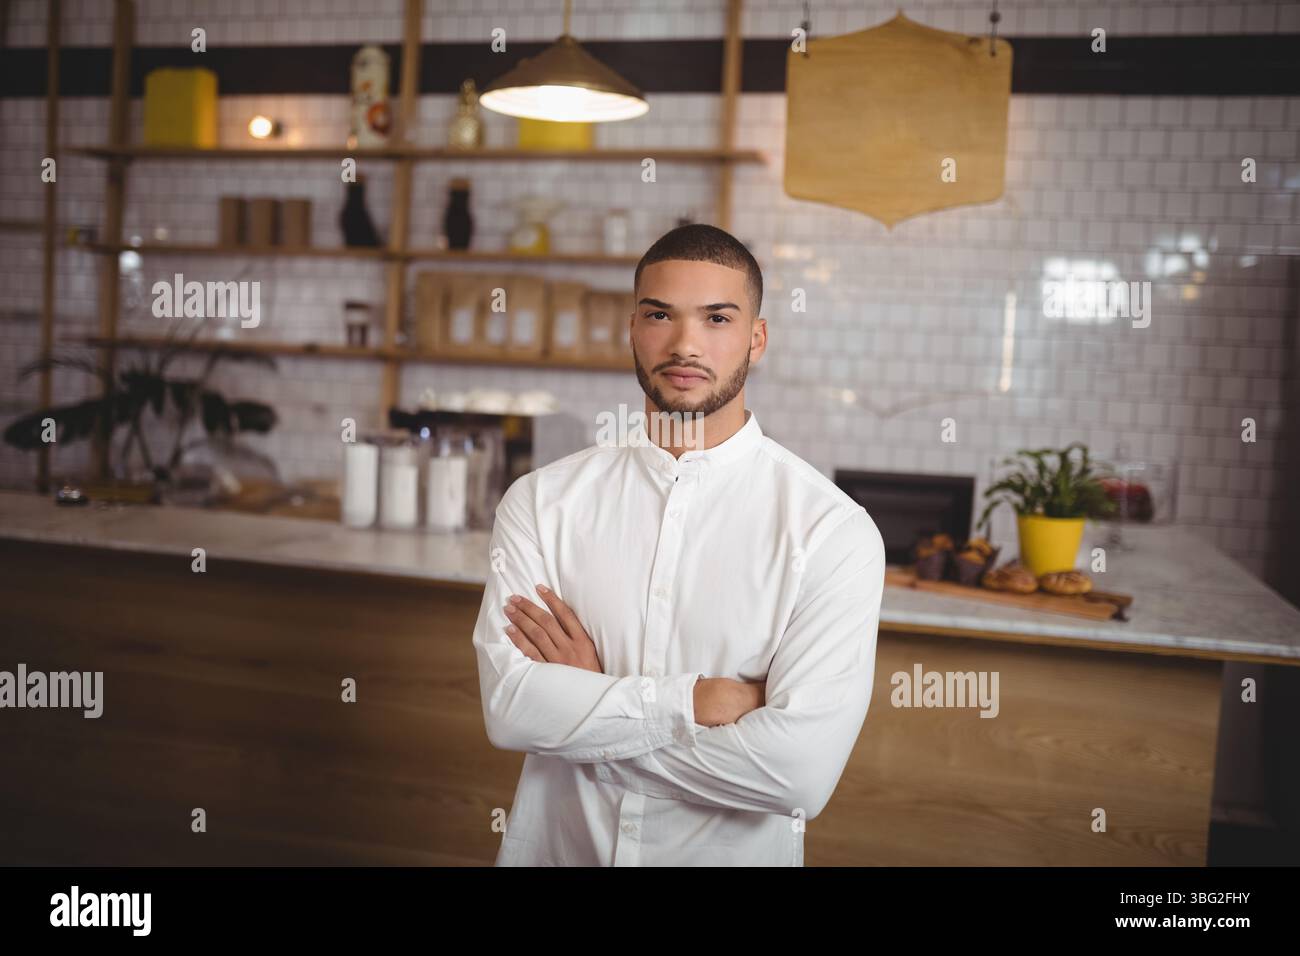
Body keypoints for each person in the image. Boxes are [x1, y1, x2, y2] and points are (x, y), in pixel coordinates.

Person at [472, 223, 885, 866]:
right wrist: (693, 702)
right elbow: (511, 710)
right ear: (632, 328)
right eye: (660, 315)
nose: (686, 344)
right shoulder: (540, 503)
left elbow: (797, 776)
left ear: (758, 337)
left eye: (717, 318)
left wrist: (592, 716)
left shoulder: (832, 532)